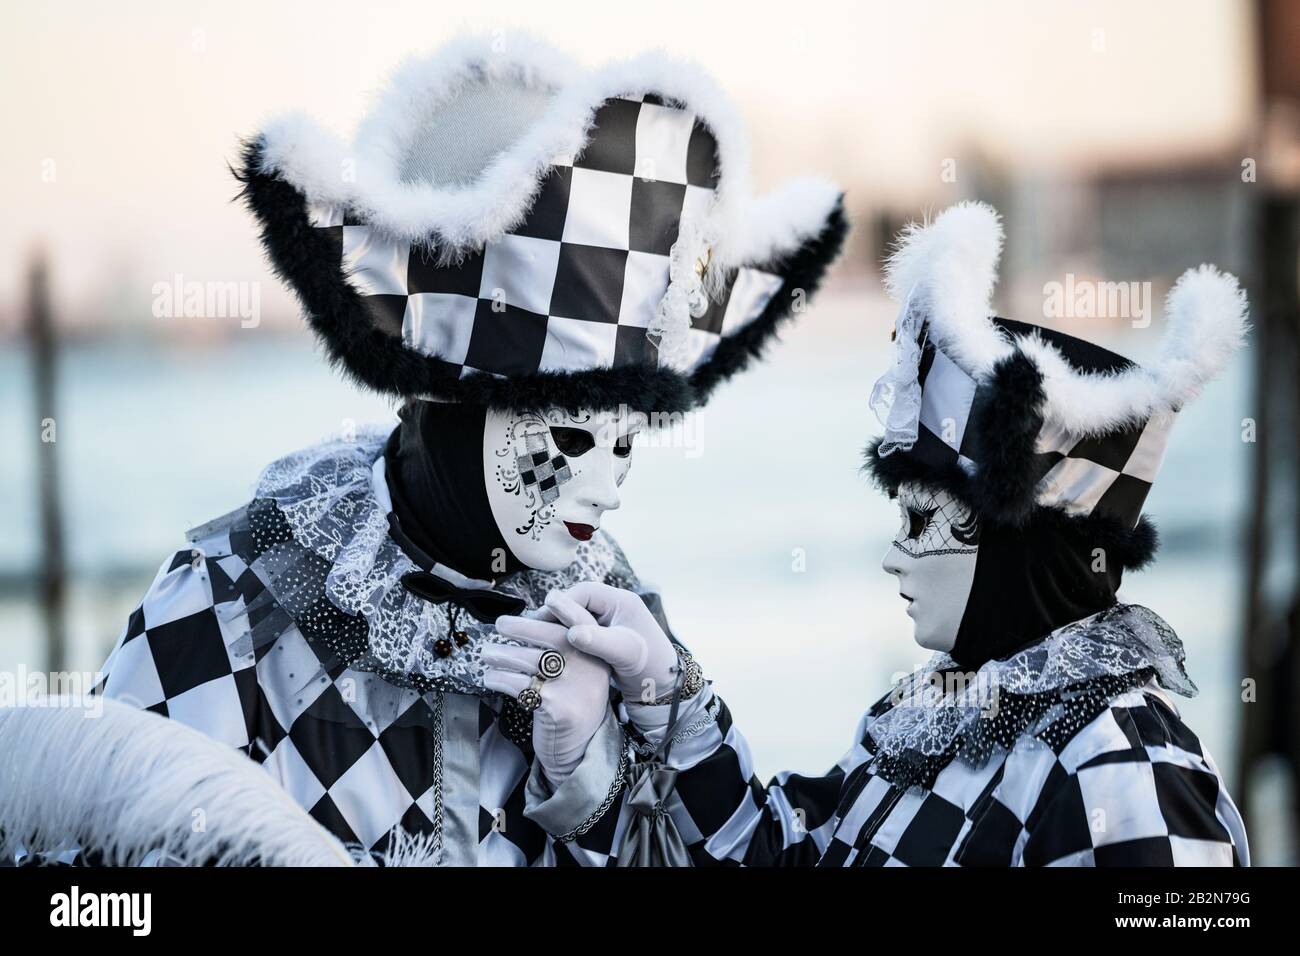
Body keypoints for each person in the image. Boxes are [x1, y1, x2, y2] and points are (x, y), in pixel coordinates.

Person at [87, 33, 845, 866]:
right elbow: (96, 872)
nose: (607, 491)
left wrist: (603, 774)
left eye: (627, 445)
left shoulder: (616, 616)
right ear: (453, 400)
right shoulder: (237, 601)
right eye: (570, 436)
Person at [495, 201, 1251, 866]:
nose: (896, 557)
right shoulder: (921, 717)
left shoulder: (1127, 766)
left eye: (922, 520)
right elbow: (783, 858)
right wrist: (668, 692)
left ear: (1017, 542)